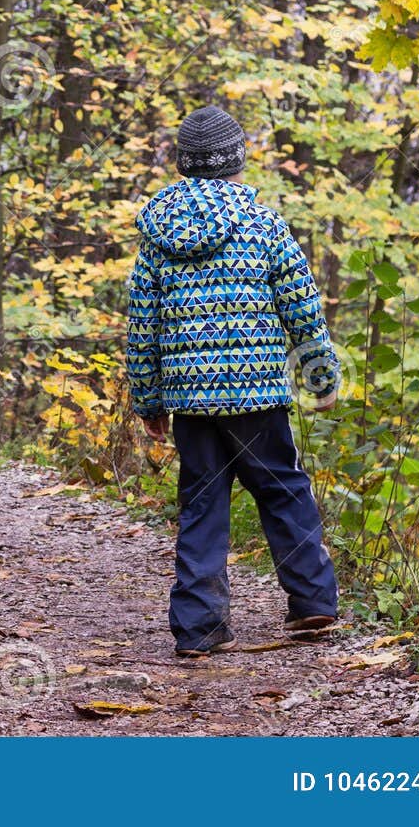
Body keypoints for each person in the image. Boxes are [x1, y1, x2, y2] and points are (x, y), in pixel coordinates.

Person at [126, 104, 341, 658]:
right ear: (236, 163)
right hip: (258, 394)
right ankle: (313, 604)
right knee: (284, 491)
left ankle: (199, 628)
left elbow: (142, 323)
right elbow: (301, 305)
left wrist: (148, 402)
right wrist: (320, 377)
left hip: (191, 402)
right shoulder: (264, 223)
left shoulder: (156, 236)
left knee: (202, 503)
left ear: (185, 165)